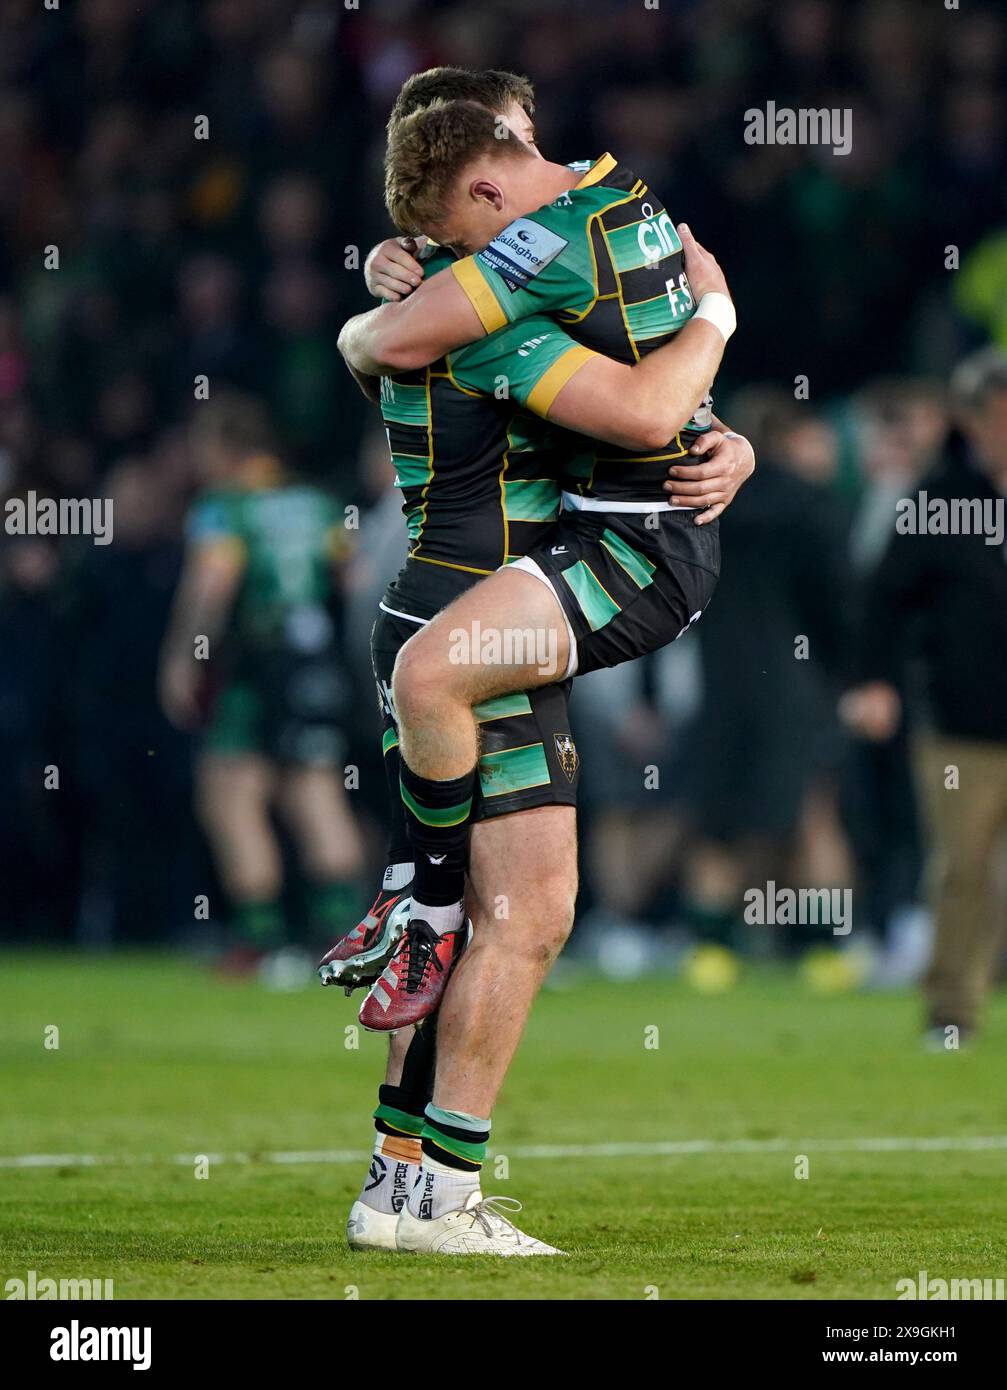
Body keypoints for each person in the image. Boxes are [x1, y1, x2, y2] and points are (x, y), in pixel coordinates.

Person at [332, 75, 753, 1255]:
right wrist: (714, 323)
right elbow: (637, 399)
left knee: (499, 913)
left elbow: (386, 336)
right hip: (480, 612)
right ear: (497, 151)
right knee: (504, 914)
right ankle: (436, 1186)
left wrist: (724, 436)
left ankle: (400, 1183)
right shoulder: (499, 302)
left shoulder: (513, 266)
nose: (464, 252)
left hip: (479, 598)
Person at [159, 392, 364, 969]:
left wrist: (183, 657)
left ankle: (261, 939)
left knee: (232, 795)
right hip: (316, 663)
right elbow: (356, 581)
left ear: (223, 446)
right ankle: (341, 936)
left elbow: (212, 585)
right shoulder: (320, 505)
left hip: (253, 667)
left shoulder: (224, 508)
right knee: (316, 792)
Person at [842, 346, 1007, 1044]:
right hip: (961, 719)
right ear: (968, 422)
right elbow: (882, 601)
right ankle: (951, 1013)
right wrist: (873, 682)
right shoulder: (938, 502)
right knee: (964, 869)